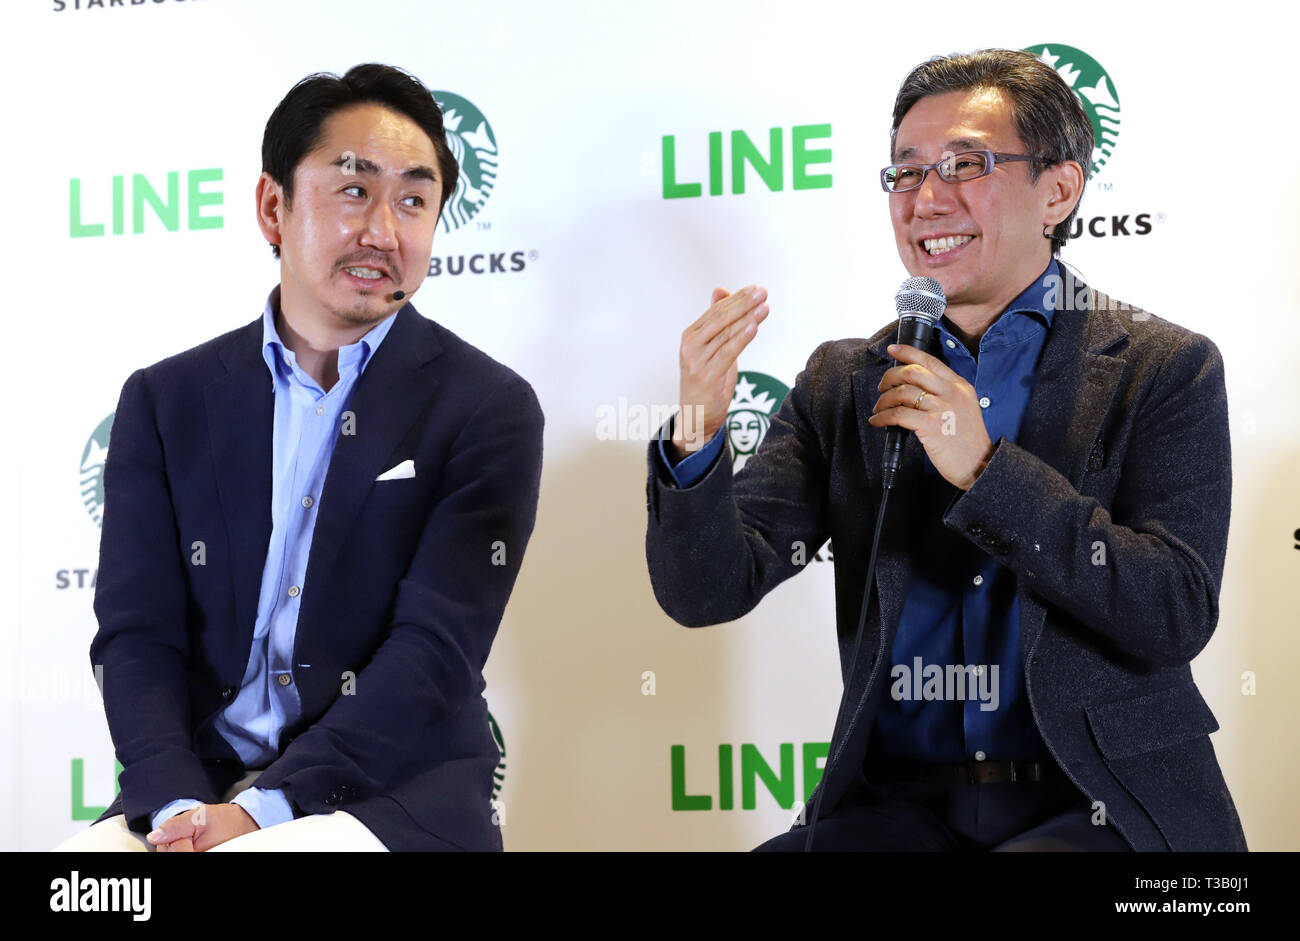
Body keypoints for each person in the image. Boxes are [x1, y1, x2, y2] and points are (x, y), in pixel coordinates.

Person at [644, 48, 1246, 851]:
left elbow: (1173, 609)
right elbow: (706, 591)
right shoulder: (843, 382)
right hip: (894, 811)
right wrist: (699, 431)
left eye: (966, 163)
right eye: (905, 173)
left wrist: (988, 472)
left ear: (1058, 191)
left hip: (1096, 804)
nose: (927, 199)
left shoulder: (1161, 367)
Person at [54, 64, 543, 852]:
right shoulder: (166, 399)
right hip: (199, 782)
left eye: (414, 201)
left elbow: (432, 652)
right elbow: (136, 635)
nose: (384, 231)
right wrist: (178, 799)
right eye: (354, 190)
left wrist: (258, 814)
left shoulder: (486, 407)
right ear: (272, 206)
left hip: (389, 790)